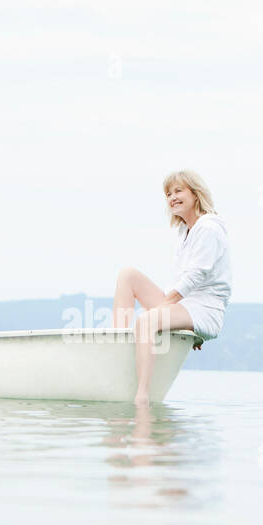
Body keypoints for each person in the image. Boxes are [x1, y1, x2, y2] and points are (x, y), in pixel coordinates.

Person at [113, 170, 232, 405]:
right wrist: (170, 313)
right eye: (168, 193)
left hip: (204, 309)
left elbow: (196, 276)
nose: (172, 197)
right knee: (128, 275)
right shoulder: (185, 231)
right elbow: (179, 280)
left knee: (146, 320)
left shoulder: (208, 228)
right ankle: (117, 347)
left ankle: (142, 395)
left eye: (178, 191)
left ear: (195, 194)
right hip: (185, 305)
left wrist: (167, 313)